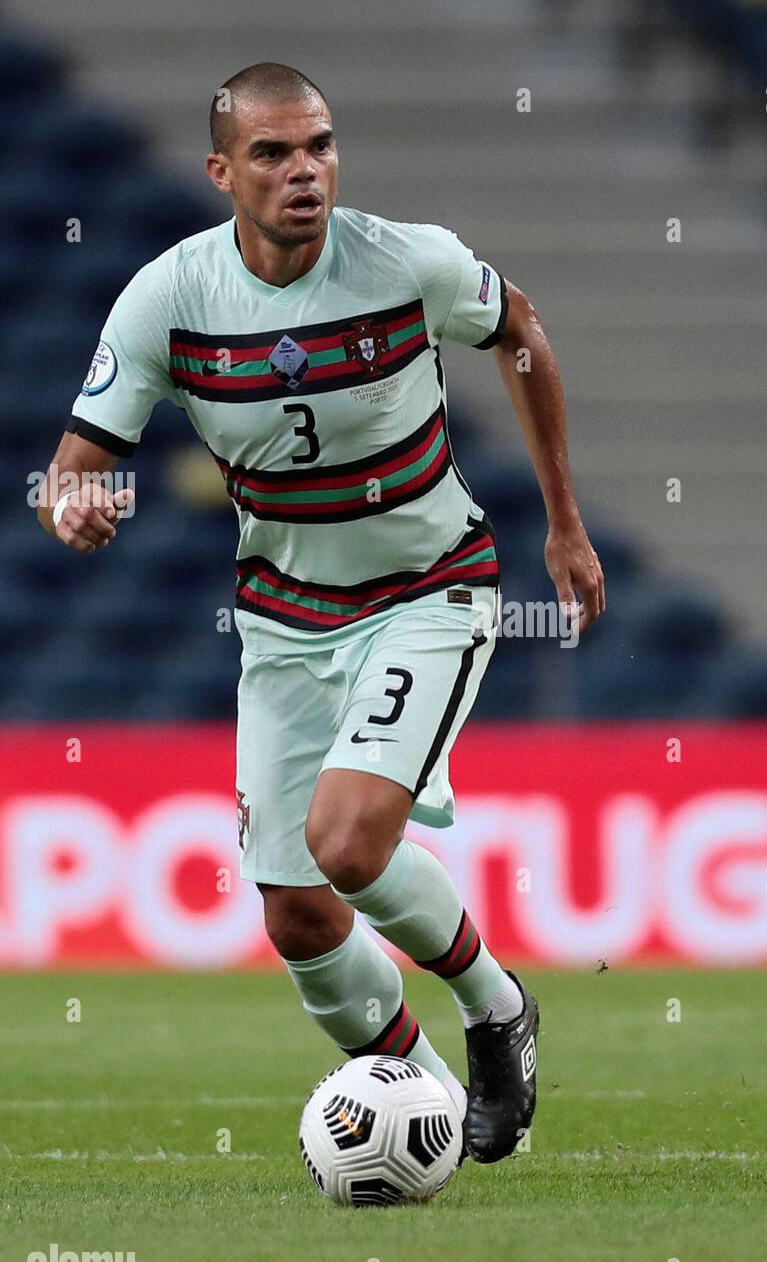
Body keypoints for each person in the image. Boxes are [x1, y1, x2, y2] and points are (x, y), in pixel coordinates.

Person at [37, 62, 605, 1163]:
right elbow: (77, 460)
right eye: (273, 154)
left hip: (429, 587)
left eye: (320, 148)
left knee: (345, 842)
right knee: (296, 913)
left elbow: (520, 330)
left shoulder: (407, 263)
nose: (305, 172)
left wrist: (564, 522)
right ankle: (427, 1109)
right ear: (220, 171)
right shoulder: (168, 297)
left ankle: (498, 1010)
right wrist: (76, 505)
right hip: (284, 616)